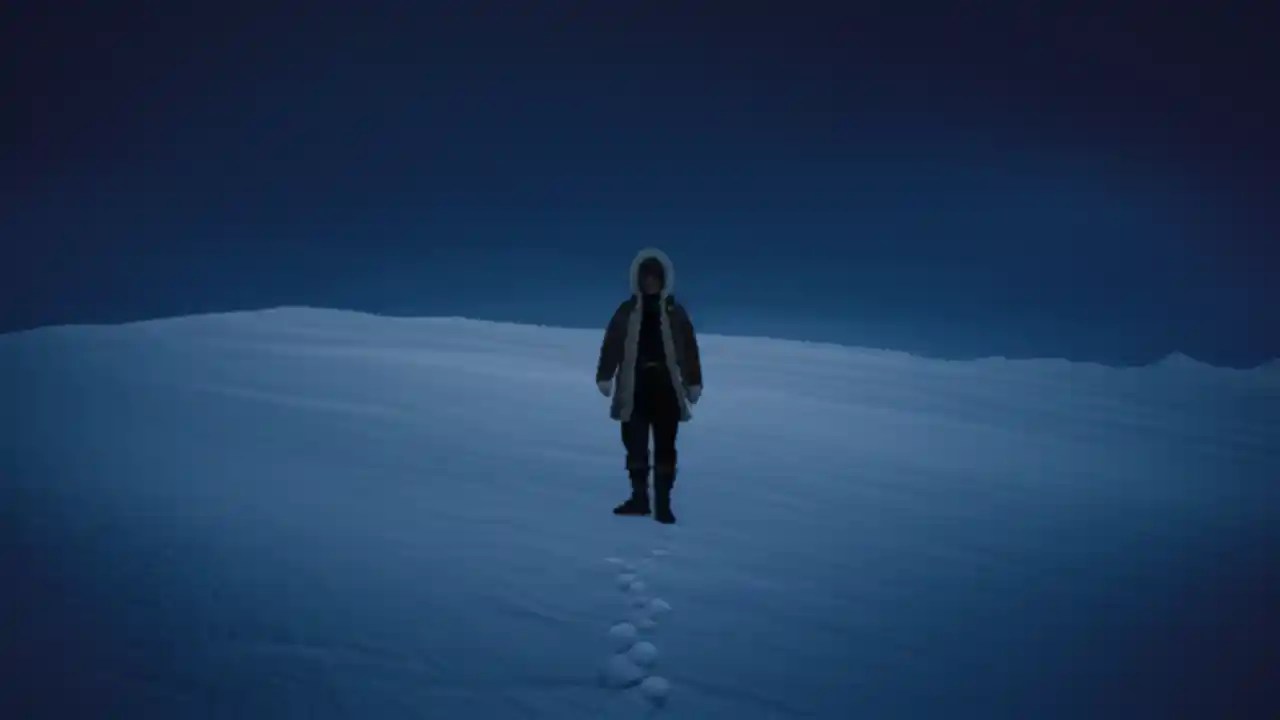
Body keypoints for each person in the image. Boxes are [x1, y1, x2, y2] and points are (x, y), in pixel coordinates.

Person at [596, 248, 703, 524]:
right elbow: (612, 344)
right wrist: (605, 375)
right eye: (646, 277)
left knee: (666, 447)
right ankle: (640, 499)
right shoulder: (626, 311)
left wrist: (693, 381)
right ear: (638, 279)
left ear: (663, 279)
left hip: (665, 387)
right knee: (635, 445)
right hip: (635, 386)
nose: (650, 282)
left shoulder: (674, 312)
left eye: (655, 277)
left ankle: (663, 504)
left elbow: (689, 349)